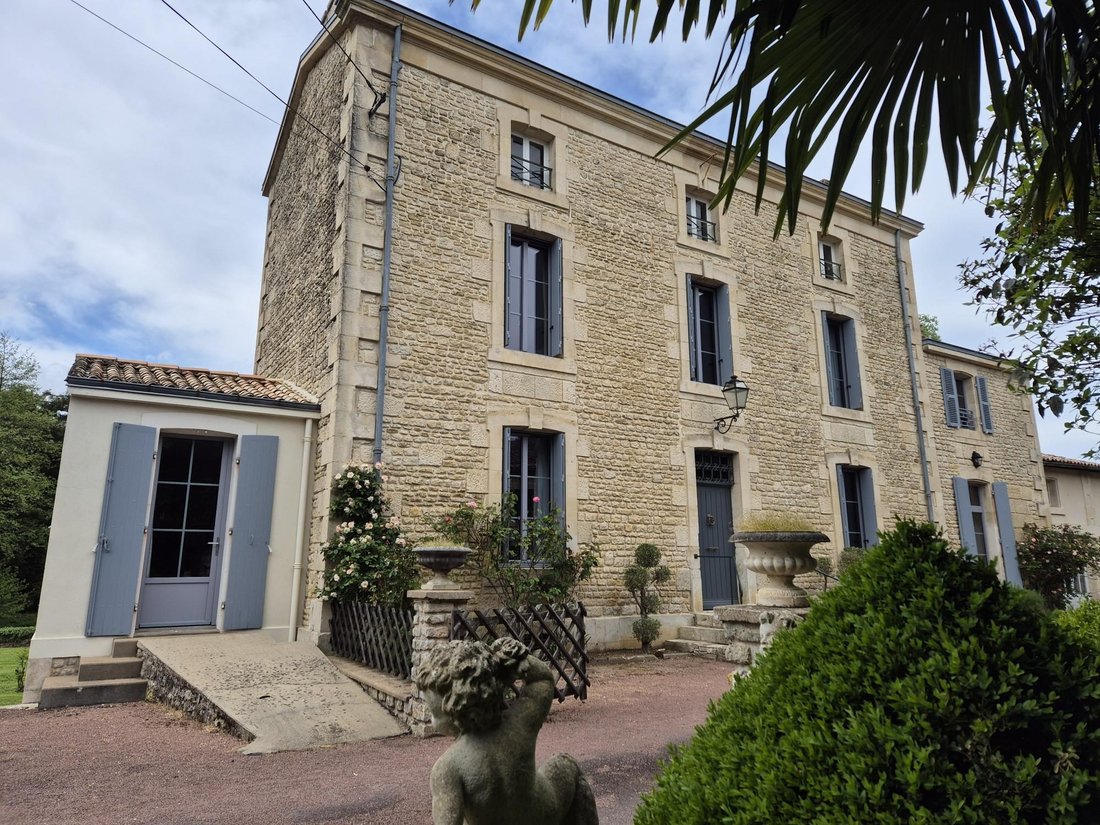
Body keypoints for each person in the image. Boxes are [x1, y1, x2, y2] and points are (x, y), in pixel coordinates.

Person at [415, 637, 599, 825]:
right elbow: (543, 680)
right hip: (543, 814)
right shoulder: (520, 722)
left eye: (433, 712)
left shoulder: (446, 768)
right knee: (565, 765)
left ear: (455, 710)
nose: (431, 719)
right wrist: (516, 659)